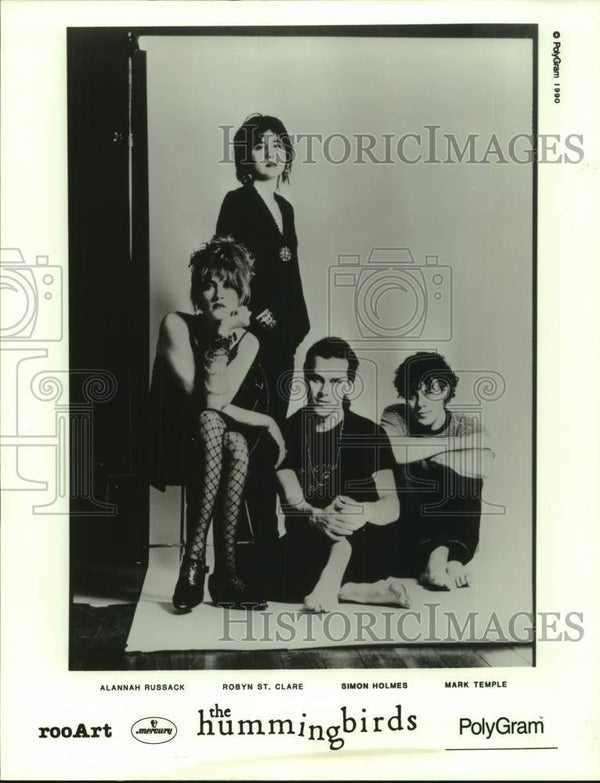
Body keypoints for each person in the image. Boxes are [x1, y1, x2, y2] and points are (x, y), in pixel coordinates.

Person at [147, 236, 285, 612]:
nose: (218, 293)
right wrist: (221, 338)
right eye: (209, 284)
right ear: (197, 292)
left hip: (218, 444)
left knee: (235, 442)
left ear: (242, 294)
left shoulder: (250, 341)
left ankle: (209, 568)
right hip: (175, 440)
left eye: (229, 285)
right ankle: (214, 567)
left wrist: (265, 418)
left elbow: (219, 404)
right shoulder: (175, 324)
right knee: (214, 423)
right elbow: (203, 400)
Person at [216, 113, 310, 550]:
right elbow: (225, 271)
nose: (271, 153)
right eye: (260, 146)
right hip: (253, 339)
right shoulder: (238, 201)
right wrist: (251, 316)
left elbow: (289, 276)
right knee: (253, 439)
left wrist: (295, 328)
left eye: (278, 144)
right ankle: (254, 545)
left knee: (275, 438)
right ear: (245, 156)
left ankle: (269, 541)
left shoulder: (285, 207)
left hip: (285, 340)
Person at [273, 337, 408, 613]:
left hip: (362, 543)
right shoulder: (287, 431)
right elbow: (292, 498)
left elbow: (391, 506)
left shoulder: (368, 432)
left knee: (351, 507)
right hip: (309, 541)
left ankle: (334, 574)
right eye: (316, 379)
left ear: (349, 385)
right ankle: (354, 591)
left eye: (336, 382)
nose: (324, 391)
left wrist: (364, 512)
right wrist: (315, 515)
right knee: (248, 574)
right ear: (305, 379)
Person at [381, 352, 495, 590]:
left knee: (469, 481)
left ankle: (442, 557)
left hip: (450, 523)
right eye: (412, 394)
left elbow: (484, 466)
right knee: (404, 470)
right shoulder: (395, 415)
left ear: (445, 391)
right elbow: (394, 452)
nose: (420, 403)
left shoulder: (466, 425)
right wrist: (452, 448)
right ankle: (446, 559)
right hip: (406, 534)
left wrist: (426, 454)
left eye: (430, 392)